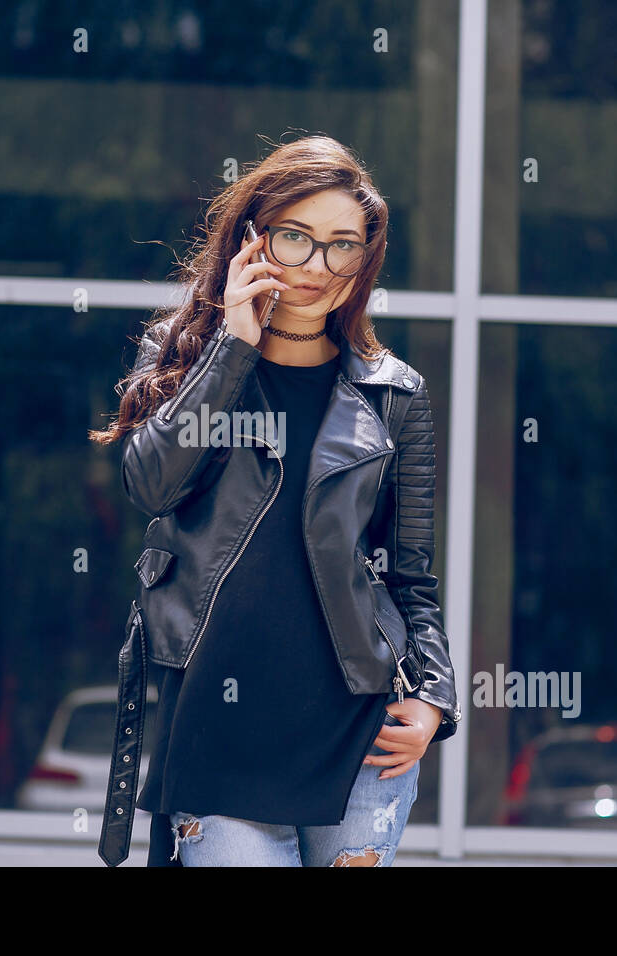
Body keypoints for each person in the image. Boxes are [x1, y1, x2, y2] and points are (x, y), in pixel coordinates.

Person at [89, 134, 459, 866]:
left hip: (358, 737)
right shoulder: (181, 356)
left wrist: (435, 702)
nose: (318, 267)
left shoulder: (395, 395)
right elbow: (150, 484)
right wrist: (233, 346)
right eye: (296, 238)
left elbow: (412, 576)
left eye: (342, 246)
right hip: (216, 735)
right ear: (251, 240)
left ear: (365, 259)